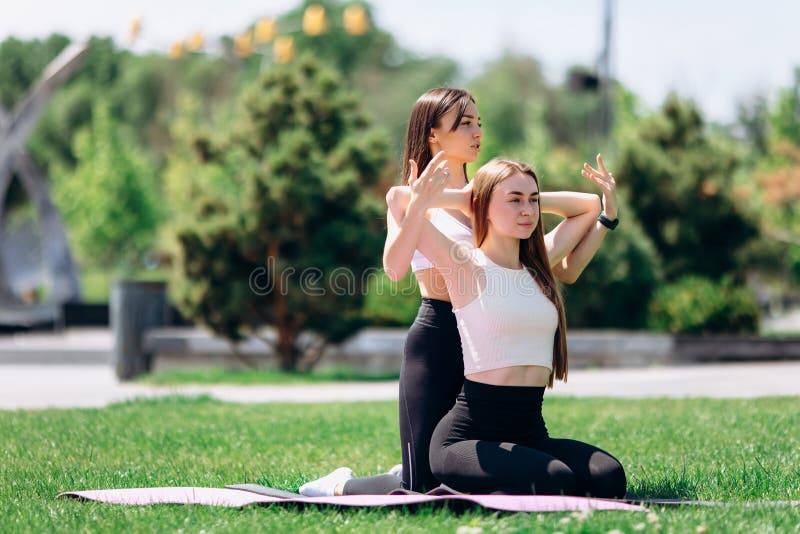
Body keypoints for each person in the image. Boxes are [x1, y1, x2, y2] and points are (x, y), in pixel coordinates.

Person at [299, 88, 619, 497]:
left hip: (491, 339)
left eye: (478, 122)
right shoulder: (413, 199)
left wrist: (486, 198)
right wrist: (431, 201)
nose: (476, 131)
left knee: (488, 463)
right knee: (421, 485)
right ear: (433, 134)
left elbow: (555, 246)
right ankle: (340, 486)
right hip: (441, 338)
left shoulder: (493, 197)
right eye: (464, 123)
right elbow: (394, 268)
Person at [396, 157, 627, 496]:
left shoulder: (538, 265)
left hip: (529, 432)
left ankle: (507, 478)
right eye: (514, 200)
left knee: (608, 477)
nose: (528, 210)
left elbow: (589, 206)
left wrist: (522, 197)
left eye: (533, 200)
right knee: (555, 480)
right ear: (483, 206)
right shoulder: (465, 265)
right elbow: (401, 201)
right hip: (467, 439)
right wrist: (470, 198)